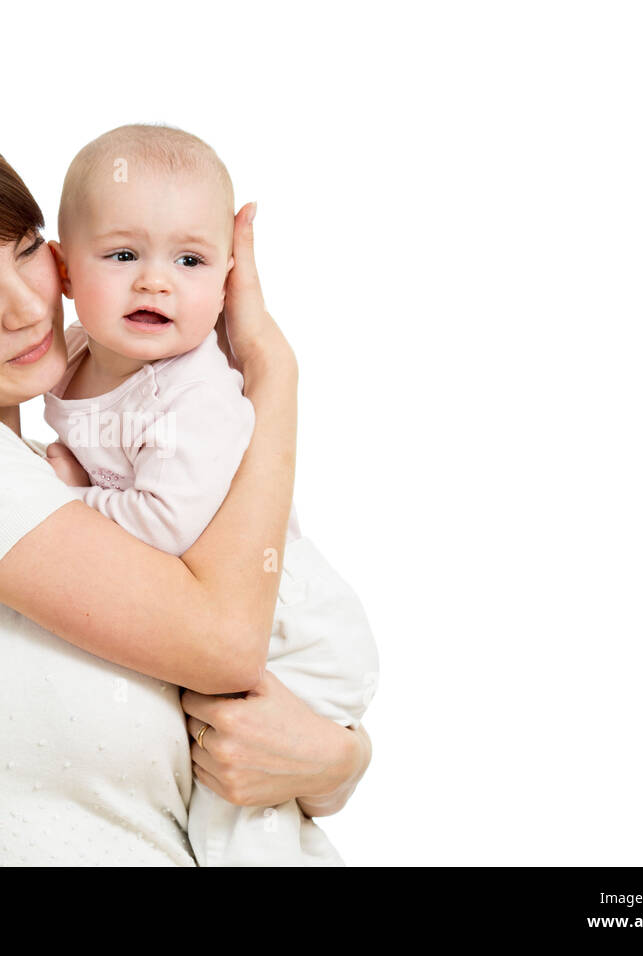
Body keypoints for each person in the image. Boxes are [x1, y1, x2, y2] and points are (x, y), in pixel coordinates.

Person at [0, 108, 372, 866]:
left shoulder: (44, 464)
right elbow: (224, 645)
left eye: (24, 253)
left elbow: (237, 735)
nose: (28, 309)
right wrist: (272, 376)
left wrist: (338, 762)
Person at [40, 123, 379, 866]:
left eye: (189, 260)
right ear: (64, 269)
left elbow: (163, 527)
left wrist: (68, 498)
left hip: (290, 631)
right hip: (229, 622)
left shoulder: (194, 394)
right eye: (123, 255)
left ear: (228, 278)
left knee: (236, 819)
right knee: (256, 813)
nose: (156, 281)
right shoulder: (67, 357)